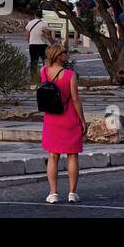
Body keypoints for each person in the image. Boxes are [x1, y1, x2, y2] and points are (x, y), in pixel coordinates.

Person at [39, 44, 85, 203]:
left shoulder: (43, 72)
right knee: (72, 155)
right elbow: (75, 100)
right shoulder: (70, 75)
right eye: (64, 53)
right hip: (69, 117)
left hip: (52, 118)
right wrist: (82, 120)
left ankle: (53, 193)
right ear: (59, 56)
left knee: (53, 156)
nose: (67, 54)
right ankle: (72, 192)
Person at [24, 11, 48, 75]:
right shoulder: (45, 24)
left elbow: (27, 35)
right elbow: (47, 35)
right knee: (45, 61)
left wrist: (29, 42)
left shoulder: (30, 23)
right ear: (42, 16)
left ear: (35, 15)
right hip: (42, 45)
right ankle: (45, 75)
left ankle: (33, 76)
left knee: (33, 61)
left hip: (32, 45)